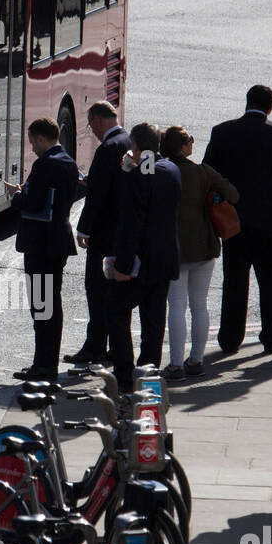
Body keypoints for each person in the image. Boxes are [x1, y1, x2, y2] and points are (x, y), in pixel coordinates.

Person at [204, 84, 272, 354]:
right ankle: (270, 337)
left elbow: (209, 173)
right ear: (270, 107)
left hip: (235, 221)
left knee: (235, 280)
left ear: (247, 102)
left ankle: (230, 339)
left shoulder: (223, 131)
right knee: (271, 280)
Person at [106, 122, 182, 391]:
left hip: (139, 263)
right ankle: (149, 372)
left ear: (135, 146)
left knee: (116, 313)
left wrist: (123, 266)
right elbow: (151, 184)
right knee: (153, 319)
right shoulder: (171, 169)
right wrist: (134, 169)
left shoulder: (142, 175)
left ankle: (125, 376)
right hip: (165, 259)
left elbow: (132, 222)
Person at [160, 125, 239, 380]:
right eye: (189, 141)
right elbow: (233, 195)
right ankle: (196, 360)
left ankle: (174, 365)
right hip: (204, 247)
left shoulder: (161, 172)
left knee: (176, 305)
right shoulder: (203, 172)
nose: (192, 144)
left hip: (174, 249)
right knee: (199, 306)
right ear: (183, 147)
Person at [6, 117, 79, 381]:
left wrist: (17, 196)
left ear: (40, 138)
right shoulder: (69, 163)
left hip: (40, 245)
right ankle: (46, 363)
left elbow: (33, 202)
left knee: (41, 307)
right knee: (51, 305)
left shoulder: (45, 164)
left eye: (32, 142)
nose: (32, 149)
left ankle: (44, 366)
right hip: (58, 241)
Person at [67, 101, 132, 365]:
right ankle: (116, 346)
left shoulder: (107, 148)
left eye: (90, 124)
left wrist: (83, 228)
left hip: (105, 233)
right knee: (118, 292)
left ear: (97, 119)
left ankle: (95, 345)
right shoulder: (129, 141)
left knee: (96, 288)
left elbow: (98, 195)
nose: (91, 130)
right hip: (125, 231)